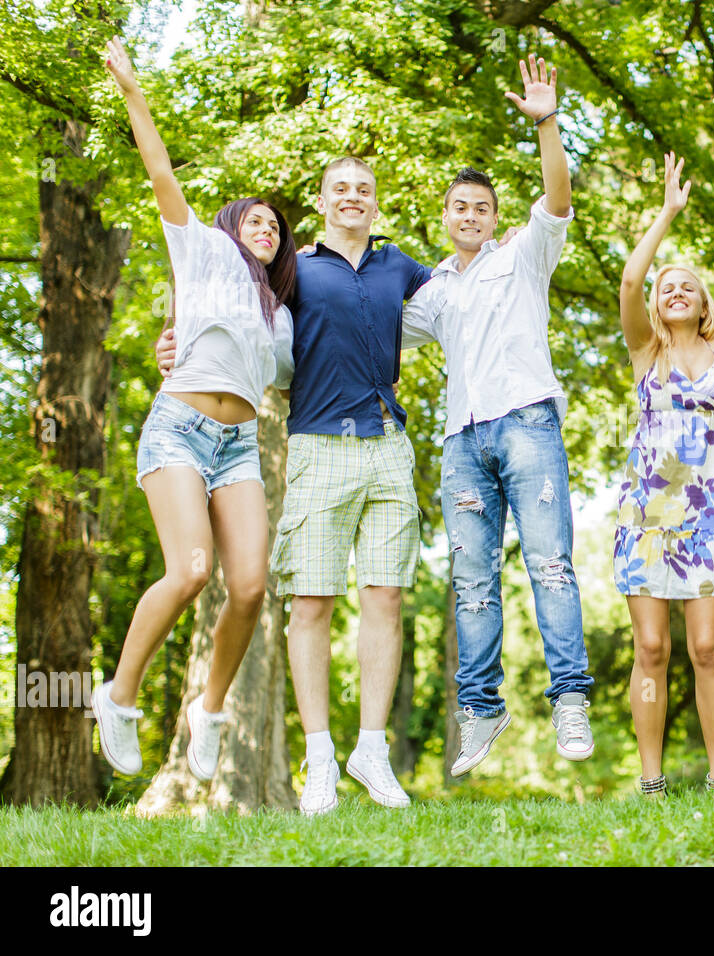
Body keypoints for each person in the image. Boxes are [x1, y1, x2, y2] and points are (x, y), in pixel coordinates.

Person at [158, 152, 431, 813]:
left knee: (386, 598)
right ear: (323, 199)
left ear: (374, 201)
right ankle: (319, 761)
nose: (353, 197)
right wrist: (175, 345)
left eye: (364, 188)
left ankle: (372, 750)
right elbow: (236, 321)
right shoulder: (296, 272)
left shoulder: (401, 265)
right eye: (341, 188)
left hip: (389, 444)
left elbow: (452, 304)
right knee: (310, 604)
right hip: (314, 444)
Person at [94, 38, 296, 784]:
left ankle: (207, 710)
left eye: (276, 228)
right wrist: (132, 89)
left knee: (247, 585)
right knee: (190, 570)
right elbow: (158, 169)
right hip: (179, 426)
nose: (266, 230)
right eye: (257, 220)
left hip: (238, 446)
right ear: (231, 223)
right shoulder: (202, 253)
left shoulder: (279, 318)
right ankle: (118, 697)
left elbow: (307, 367)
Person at [401, 55, 595, 777]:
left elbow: (557, 197)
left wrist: (546, 121)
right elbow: (366, 332)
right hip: (460, 442)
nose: (471, 217)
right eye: (460, 209)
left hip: (527, 425)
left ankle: (570, 699)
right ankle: (480, 710)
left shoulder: (526, 257)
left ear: (495, 217)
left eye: (482, 209)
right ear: (446, 217)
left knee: (550, 566)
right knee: (471, 582)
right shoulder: (435, 291)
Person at [614, 154, 714, 796]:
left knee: (705, 649)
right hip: (647, 513)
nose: (673, 290)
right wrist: (667, 212)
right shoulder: (647, 348)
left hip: (708, 516)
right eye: (667, 286)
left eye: (687, 286)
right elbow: (629, 282)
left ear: (703, 304)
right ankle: (651, 781)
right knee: (651, 649)